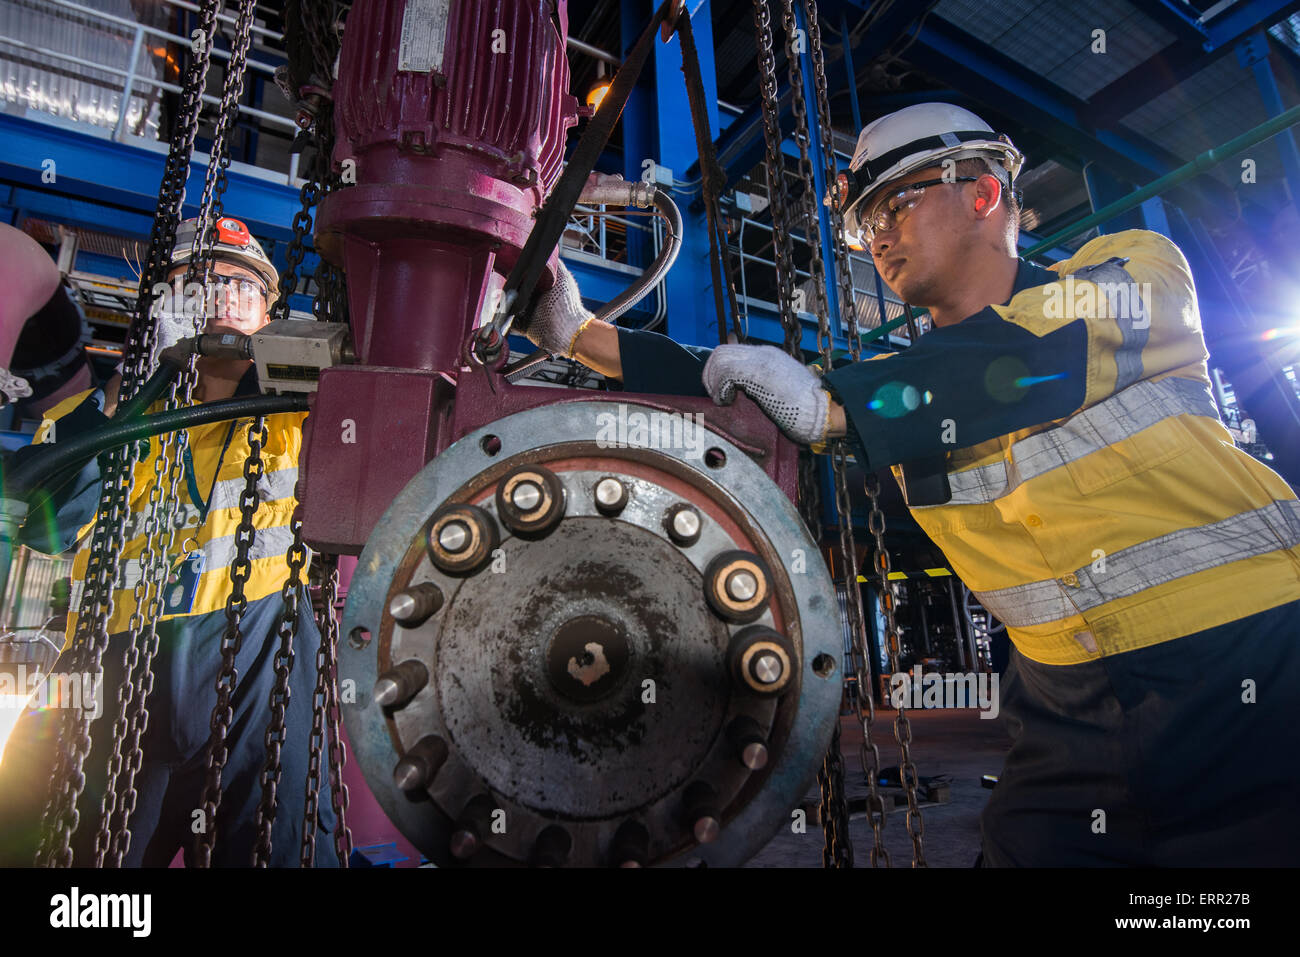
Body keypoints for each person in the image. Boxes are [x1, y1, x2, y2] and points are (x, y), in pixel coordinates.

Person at [519, 103, 1300, 866]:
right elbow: (731, 382)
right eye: (864, 222)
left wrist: (832, 403)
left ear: (984, 192)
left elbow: (1030, 361)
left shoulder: (1130, 271)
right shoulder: (892, 391)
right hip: (1065, 699)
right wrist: (579, 335)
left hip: (1249, 657)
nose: (876, 234)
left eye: (896, 201)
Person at [0, 216, 338, 867]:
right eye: (201, 281)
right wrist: (126, 399)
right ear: (164, 306)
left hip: (265, 661)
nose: (224, 297)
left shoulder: (303, 411)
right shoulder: (99, 420)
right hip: (114, 670)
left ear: (269, 311)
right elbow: (46, 521)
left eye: (245, 286)